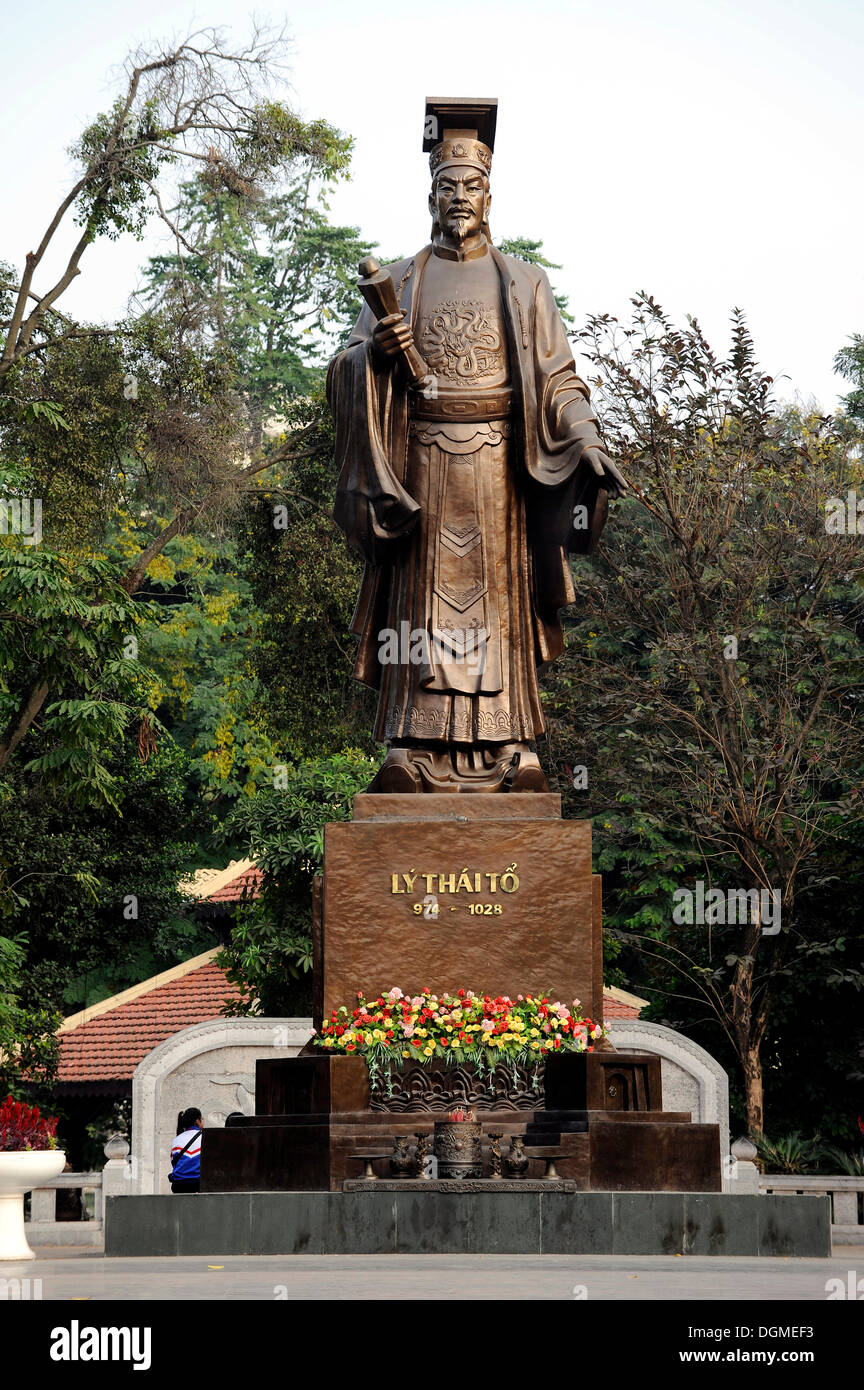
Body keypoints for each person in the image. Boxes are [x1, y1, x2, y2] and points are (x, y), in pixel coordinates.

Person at [327, 97, 626, 793]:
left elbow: (559, 380)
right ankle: (411, 746)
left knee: (497, 609)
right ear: (428, 194)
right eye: (446, 186)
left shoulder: (522, 282)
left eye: (471, 185)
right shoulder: (401, 280)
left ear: (490, 193)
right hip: (421, 468)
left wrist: (583, 439)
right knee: (420, 610)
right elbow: (343, 368)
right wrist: (373, 350)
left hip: (498, 468)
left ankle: (509, 746)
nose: (459, 197)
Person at [169, 1107, 203, 1193]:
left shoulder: (176, 1140)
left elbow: (173, 1163)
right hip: (199, 1184)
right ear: (197, 1121)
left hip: (179, 1185)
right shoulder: (206, 1137)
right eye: (202, 1119)